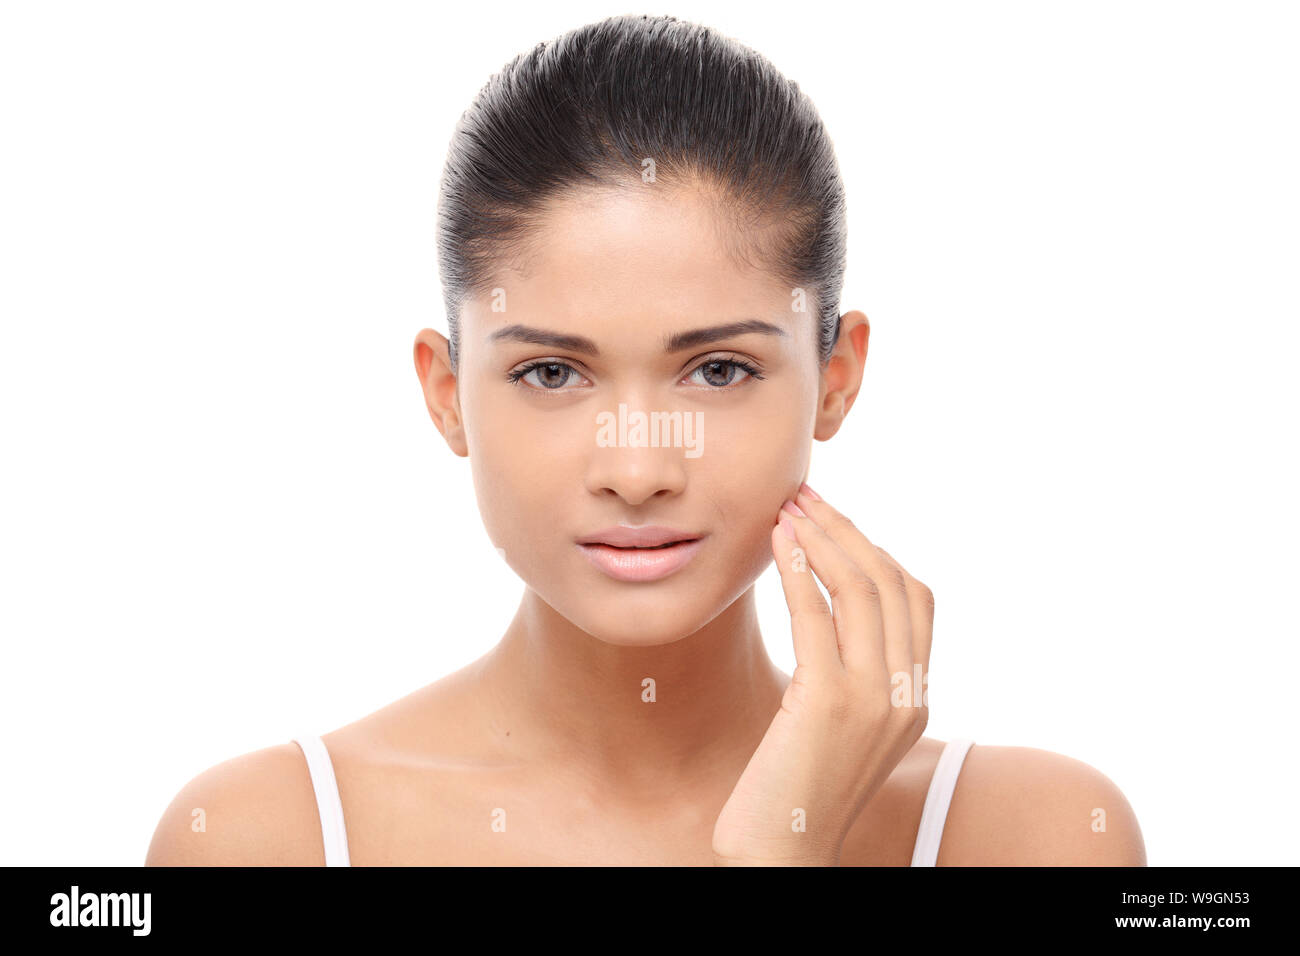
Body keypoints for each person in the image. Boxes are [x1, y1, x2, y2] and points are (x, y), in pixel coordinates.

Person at [146, 13, 1145, 866]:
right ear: (447, 394)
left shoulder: (1030, 834)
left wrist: (783, 841)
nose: (635, 468)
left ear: (834, 378)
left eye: (718, 370)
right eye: (550, 372)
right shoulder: (264, 834)